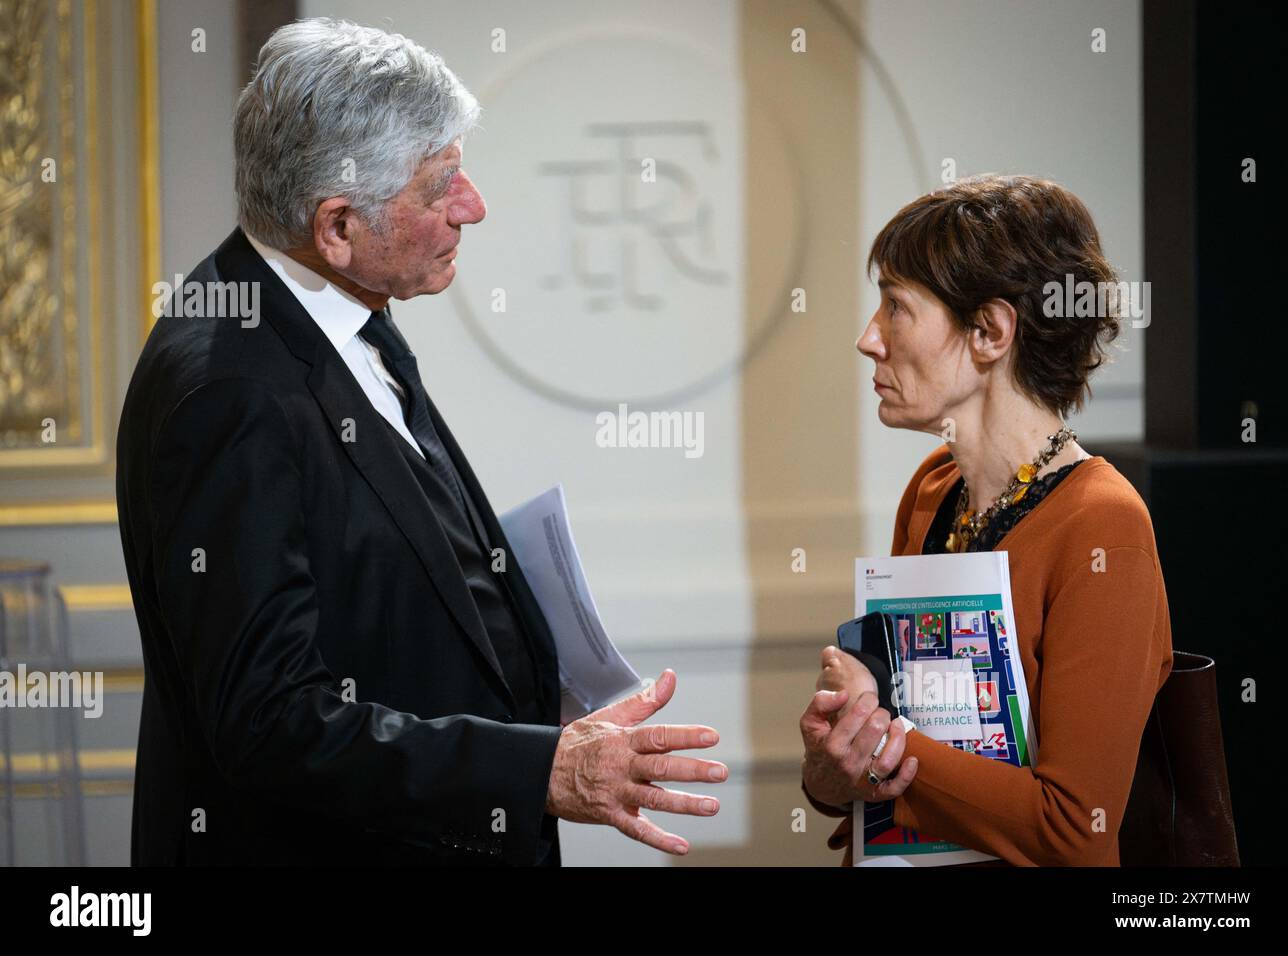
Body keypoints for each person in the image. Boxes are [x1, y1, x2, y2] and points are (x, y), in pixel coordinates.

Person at [116, 17, 726, 866]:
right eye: (440, 185)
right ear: (337, 226)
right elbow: (268, 723)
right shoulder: (232, 393)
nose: (472, 206)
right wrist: (535, 767)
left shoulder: (327, 307)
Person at [799, 175, 1174, 866]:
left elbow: (1073, 832)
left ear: (990, 332)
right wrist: (837, 754)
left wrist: (885, 744)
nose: (867, 339)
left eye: (895, 307)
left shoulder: (1103, 526)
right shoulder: (933, 488)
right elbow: (882, 775)